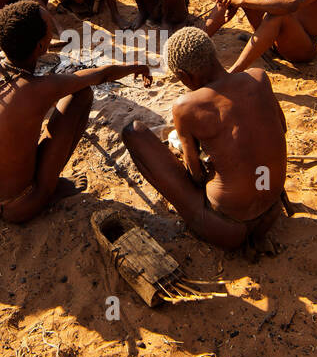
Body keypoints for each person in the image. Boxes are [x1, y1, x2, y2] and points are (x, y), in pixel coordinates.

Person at [0, 0, 149, 223]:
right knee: (81, 95)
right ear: (41, 46)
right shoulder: (38, 89)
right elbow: (101, 74)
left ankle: (41, 183)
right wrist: (138, 66)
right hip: (21, 205)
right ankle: (48, 188)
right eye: (48, 29)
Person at [121, 28, 286, 250]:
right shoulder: (258, 77)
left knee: (134, 133)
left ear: (183, 75)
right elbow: (281, 128)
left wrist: (194, 156)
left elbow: (196, 175)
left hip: (227, 227)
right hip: (272, 209)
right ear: (213, 54)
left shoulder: (186, 107)